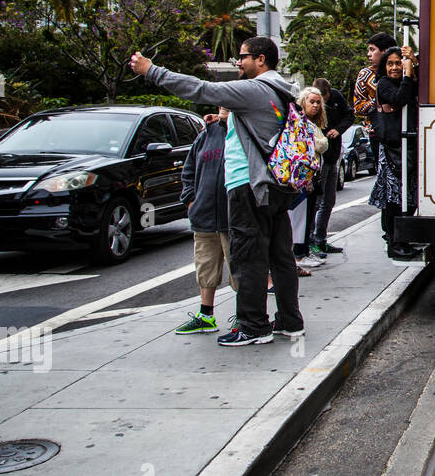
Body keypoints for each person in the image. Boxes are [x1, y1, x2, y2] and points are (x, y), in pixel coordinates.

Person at [131, 37, 302, 345]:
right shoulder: (284, 90)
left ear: (261, 60)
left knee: (248, 256)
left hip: (248, 185)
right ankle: (290, 321)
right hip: (275, 185)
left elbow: (200, 89)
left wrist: (151, 70)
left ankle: (252, 325)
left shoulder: (254, 89)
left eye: (243, 57)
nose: (239, 62)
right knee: (280, 256)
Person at [174, 108, 232, 334]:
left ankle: (244, 315)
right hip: (204, 213)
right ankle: (206, 315)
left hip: (233, 215)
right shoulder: (206, 134)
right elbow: (188, 170)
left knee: (238, 266)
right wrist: (191, 201)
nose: (224, 109)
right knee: (205, 266)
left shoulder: (244, 130)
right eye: (221, 106)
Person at [370, 46, 420, 259]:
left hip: (406, 145)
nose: (395, 67)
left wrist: (413, 66)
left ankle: (403, 238)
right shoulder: (383, 84)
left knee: (407, 195)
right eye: (390, 63)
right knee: (393, 197)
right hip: (392, 147)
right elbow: (400, 99)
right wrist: (408, 74)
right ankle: (393, 241)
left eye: (398, 63)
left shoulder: (405, 80)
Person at [289, 86, 329, 273]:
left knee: (308, 215)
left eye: (318, 102)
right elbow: (316, 144)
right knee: (299, 217)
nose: (315, 105)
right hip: (302, 176)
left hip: (312, 175)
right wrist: (319, 143)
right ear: (302, 102)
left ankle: (303, 251)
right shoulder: (300, 122)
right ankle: (298, 255)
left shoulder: (313, 123)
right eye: (311, 101)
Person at [311, 77, 352, 256]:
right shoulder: (310, 104)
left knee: (329, 201)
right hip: (318, 158)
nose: (319, 103)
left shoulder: (336, 97)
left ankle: (321, 239)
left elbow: (349, 115)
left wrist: (338, 129)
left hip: (333, 155)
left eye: (323, 99)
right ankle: (311, 241)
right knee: (317, 201)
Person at [355, 32, 396, 169]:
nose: (368, 54)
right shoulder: (365, 75)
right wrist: (379, 102)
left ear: (384, 51)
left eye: (372, 49)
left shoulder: (401, 71)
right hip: (377, 132)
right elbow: (357, 106)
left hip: (400, 130)